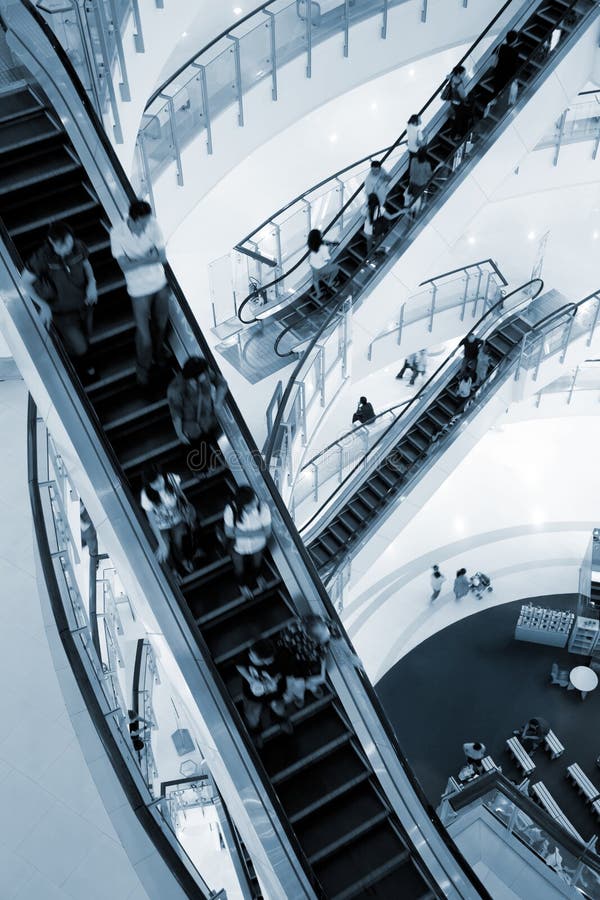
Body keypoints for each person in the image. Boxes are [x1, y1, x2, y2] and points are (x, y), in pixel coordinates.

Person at [22, 221, 98, 381]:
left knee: (86, 337)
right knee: (80, 346)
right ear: (52, 242)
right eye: (62, 246)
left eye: (69, 243)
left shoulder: (78, 246)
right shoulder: (42, 257)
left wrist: (92, 283)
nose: (67, 249)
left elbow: (86, 264)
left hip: (84, 305)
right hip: (62, 312)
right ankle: (86, 371)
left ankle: (81, 362)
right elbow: (25, 282)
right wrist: (43, 306)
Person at [110, 200, 170, 386]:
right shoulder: (117, 233)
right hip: (138, 291)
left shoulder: (153, 225)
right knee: (144, 337)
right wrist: (148, 258)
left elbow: (162, 258)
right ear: (134, 220)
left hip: (159, 284)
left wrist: (135, 261)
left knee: (161, 326)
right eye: (143, 223)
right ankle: (143, 367)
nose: (147, 226)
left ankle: (159, 354)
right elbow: (124, 267)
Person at [167, 356, 228, 472]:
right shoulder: (175, 390)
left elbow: (221, 382)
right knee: (196, 451)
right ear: (193, 379)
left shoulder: (204, 374)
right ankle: (200, 470)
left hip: (209, 421)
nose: (207, 374)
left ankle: (212, 464)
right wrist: (180, 434)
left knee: (210, 443)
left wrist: (218, 402)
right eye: (204, 374)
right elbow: (176, 414)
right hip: (192, 428)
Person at [140, 465, 196, 576]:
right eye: (153, 483)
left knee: (180, 542)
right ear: (149, 485)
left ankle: (184, 561)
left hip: (177, 519)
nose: (158, 485)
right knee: (164, 551)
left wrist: (187, 511)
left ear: (162, 475)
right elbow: (152, 520)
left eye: (159, 480)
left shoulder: (171, 479)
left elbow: (180, 496)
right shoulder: (146, 495)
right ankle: (173, 571)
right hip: (161, 525)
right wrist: (161, 542)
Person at [236, 639, 290, 745]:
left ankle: (279, 719)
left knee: (279, 709)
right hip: (252, 695)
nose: (250, 656)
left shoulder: (279, 660)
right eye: (250, 654)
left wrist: (274, 681)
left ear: (267, 661)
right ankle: (256, 732)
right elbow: (239, 665)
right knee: (252, 717)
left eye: (253, 657)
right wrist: (250, 679)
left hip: (274, 694)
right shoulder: (251, 652)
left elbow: (285, 672)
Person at [223, 486, 272, 589]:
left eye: (254, 498)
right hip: (238, 547)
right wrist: (256, 533)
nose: (256, 502)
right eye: (251, 502)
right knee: (239, 569)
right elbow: (228, 533)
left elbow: (267, 532)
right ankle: (242, 586)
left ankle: (258, 577)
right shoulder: (231, 510)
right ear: (243, 505)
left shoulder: (262, 508)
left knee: (257, 564)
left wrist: (241, 533)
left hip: (258, 545)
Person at [490, 30, 521, 106]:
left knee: (496, 90)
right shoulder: (514, 52)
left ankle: (492, 104)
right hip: (506, 76)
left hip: (497, 72)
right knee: (501, 92)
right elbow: (514, 68)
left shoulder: (501, 46)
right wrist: (516, 79)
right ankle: (495, 104)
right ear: (515, 40)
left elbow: (493, 55)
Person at [307, 228, 338, 299]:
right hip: (321, 268)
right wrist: (329, 248)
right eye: (320, 233)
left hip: (313, 265)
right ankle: (330, 282)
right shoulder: (323, 248)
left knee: (315, 280)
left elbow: (322, 242)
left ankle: (319, 294)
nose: (322, 233)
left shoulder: (311, 244)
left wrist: (330, 243)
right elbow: (328, 259)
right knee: (336, 267)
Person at [446, 65, 470, 139]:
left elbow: (447, 76)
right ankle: (455, 136)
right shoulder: (459, 83)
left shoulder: (452, 78)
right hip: (459, 105)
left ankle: (453, 135)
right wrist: (467, 98)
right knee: (460, 120)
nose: (464, 75)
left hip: (453, 102)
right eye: (463, 74)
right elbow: (463, 96)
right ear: (459, 74)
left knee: (455, 119)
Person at [407, 147, 433, 212]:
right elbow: (430, 175)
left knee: (411, 198)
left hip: (412, 184)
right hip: (420, 186)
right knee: (419, 198)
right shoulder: (427, 164)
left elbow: (410, 173)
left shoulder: (413, 160)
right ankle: (418, 210)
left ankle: (410, 209)